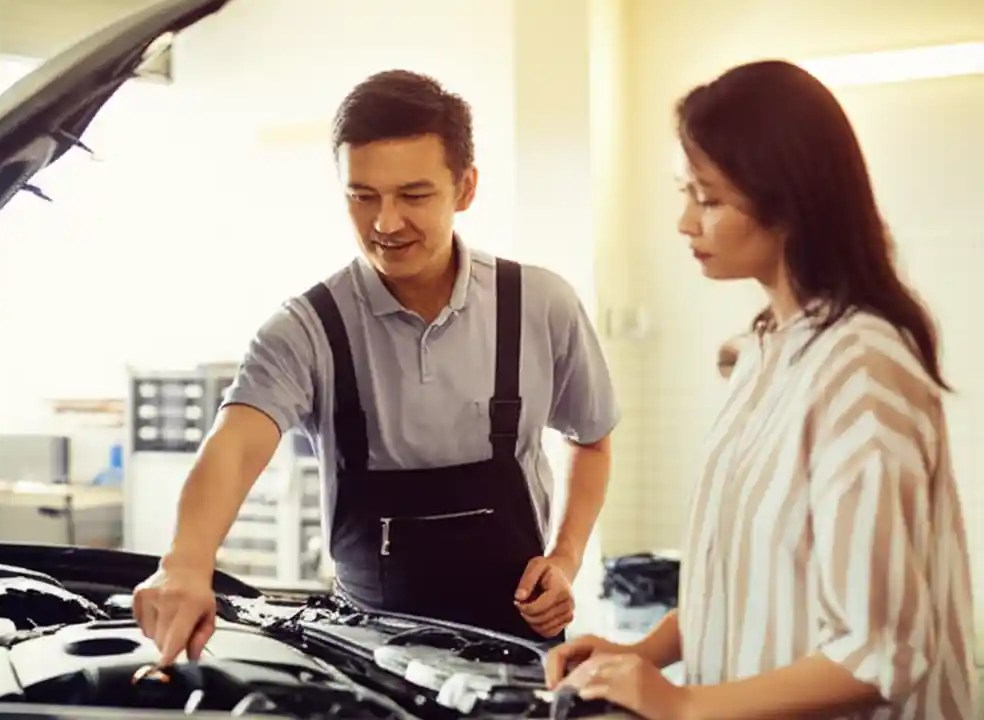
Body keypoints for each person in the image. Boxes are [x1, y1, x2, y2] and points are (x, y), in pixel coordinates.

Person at [132, 69, 619, 664]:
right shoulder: (306, 328)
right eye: (363, 197)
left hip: (517, 650)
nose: (386, 224)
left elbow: (591, 439)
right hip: (365, 652)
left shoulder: (540, 304)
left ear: (465, 188)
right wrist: (185, 562)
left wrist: (565, 558)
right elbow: (234, 445)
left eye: (414, 196)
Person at [544, 60, 978, 720]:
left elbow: (881, 651)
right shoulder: (764, 352)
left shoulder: (863, 370)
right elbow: (745, 578)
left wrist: (683, 705)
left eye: (709, 199)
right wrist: (643, 655)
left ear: (791, 204)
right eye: (685, 192)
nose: (685, 222)